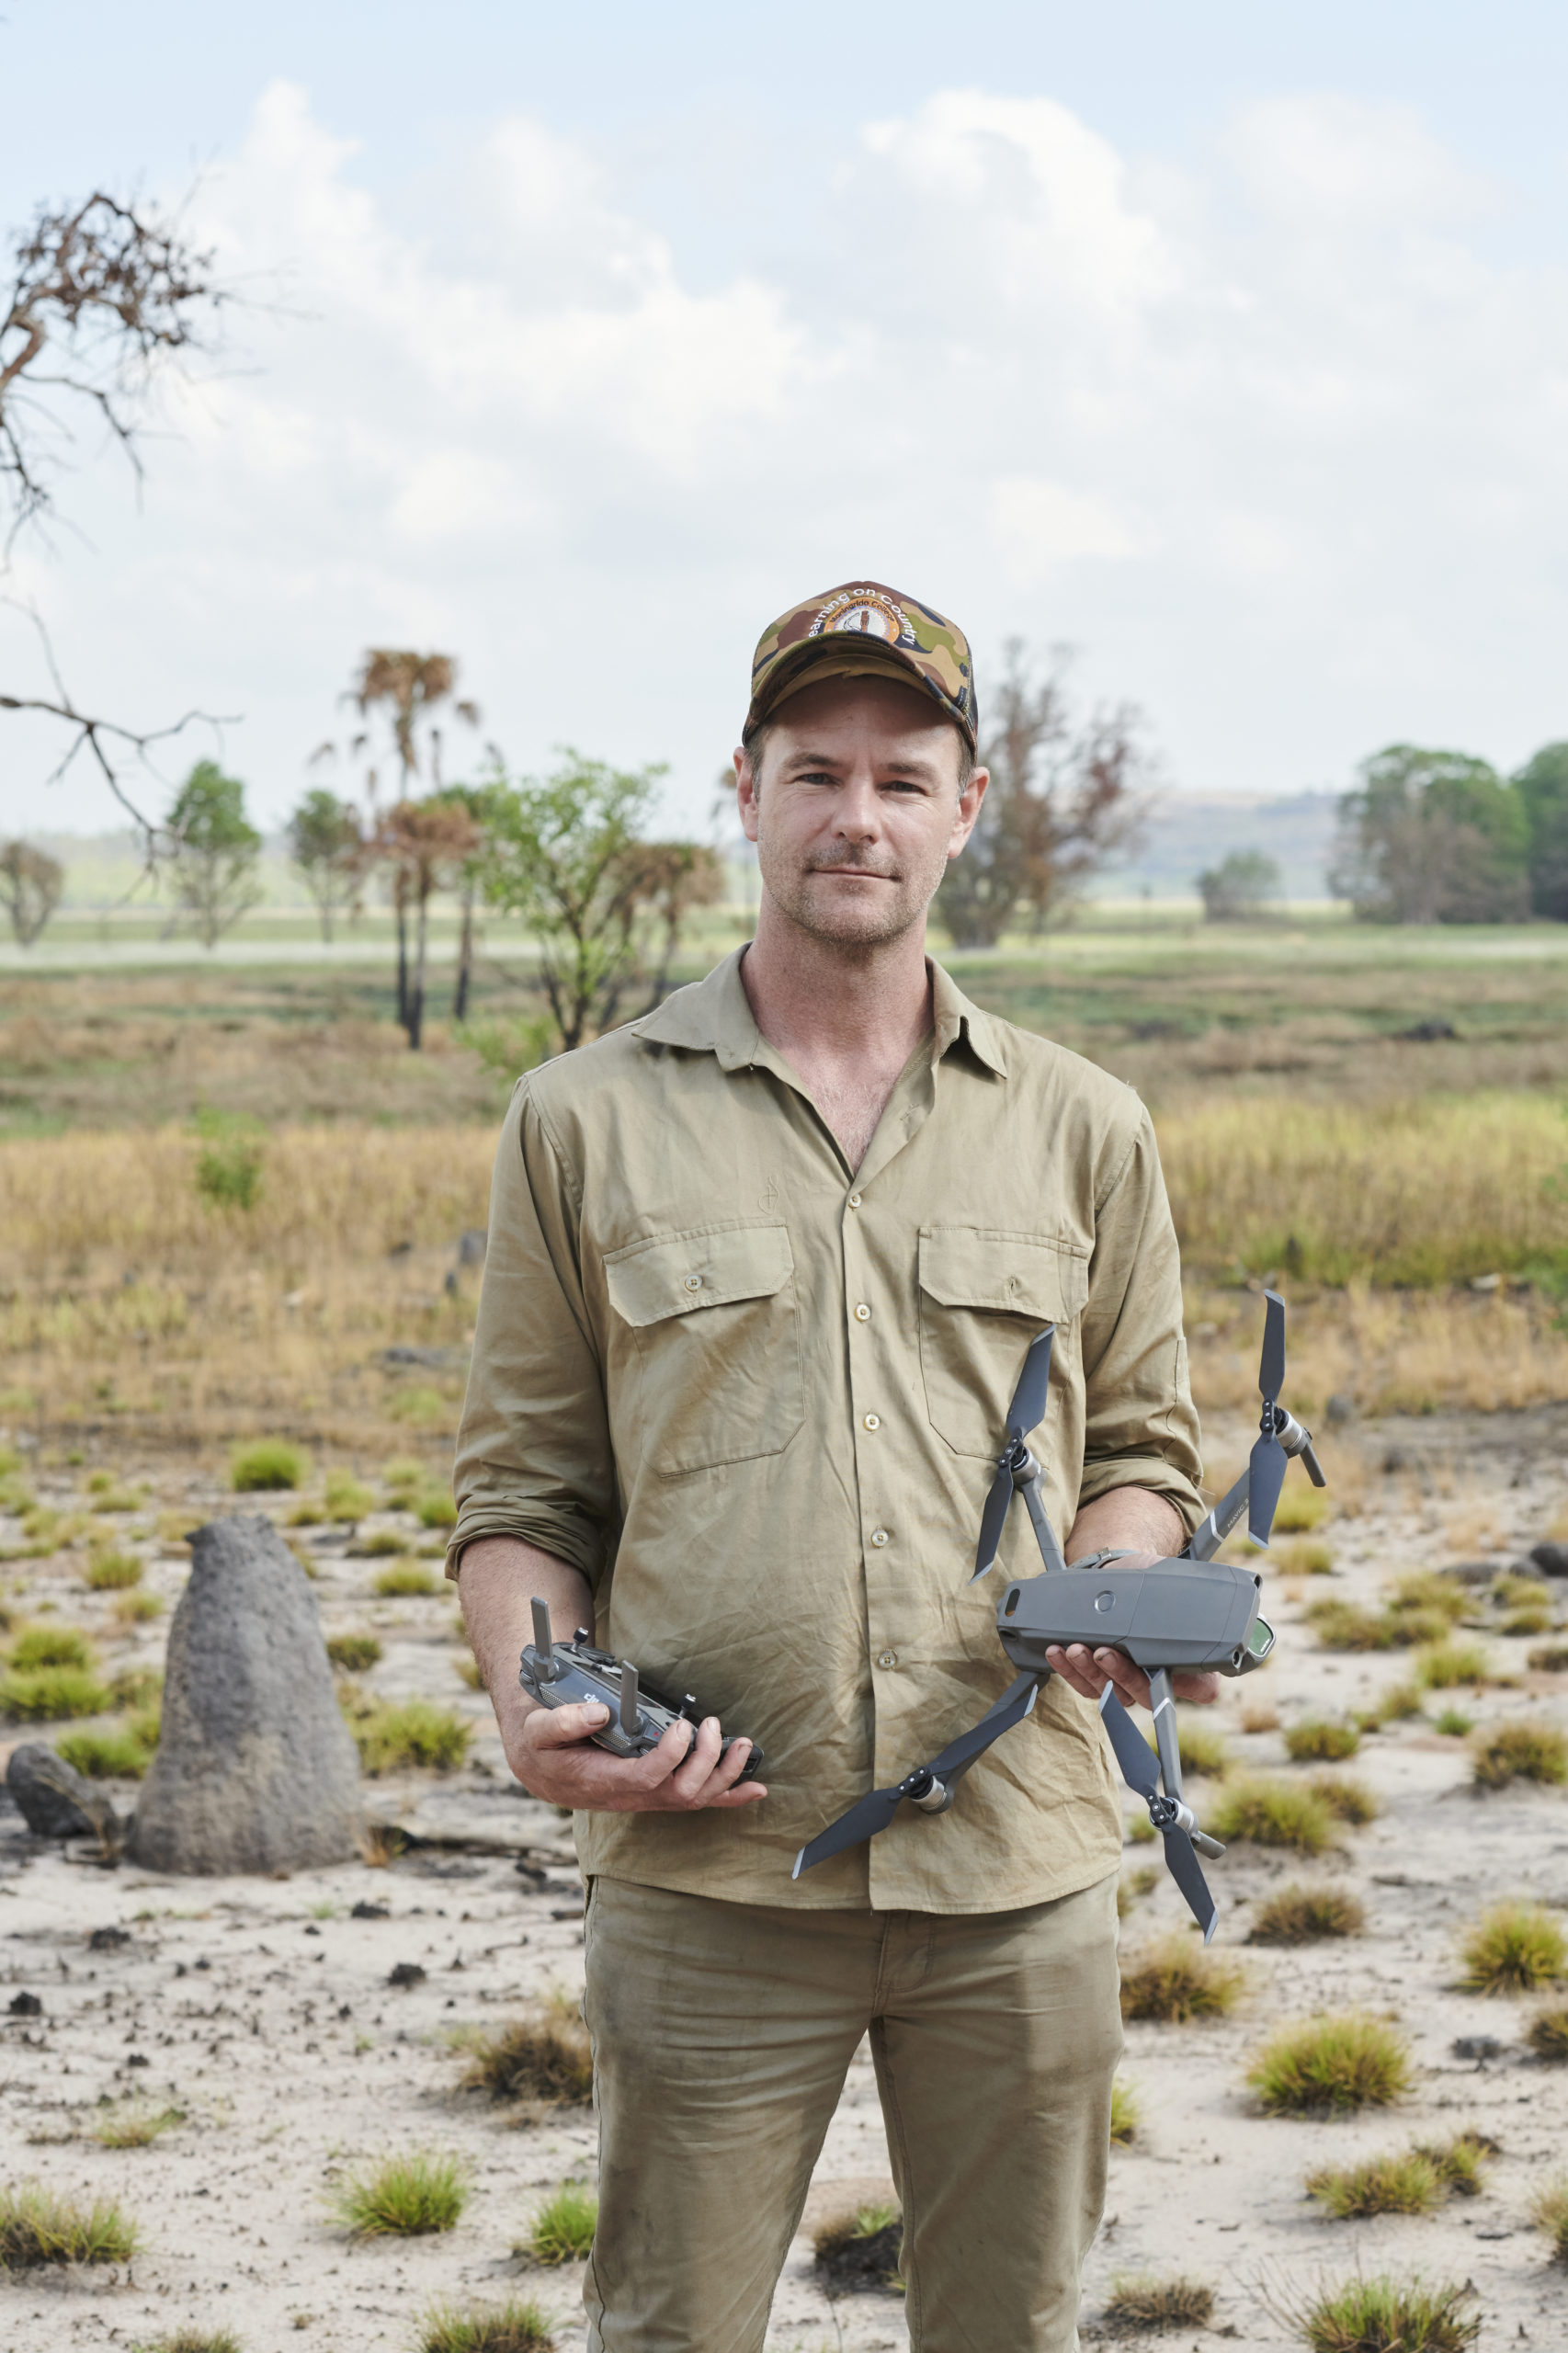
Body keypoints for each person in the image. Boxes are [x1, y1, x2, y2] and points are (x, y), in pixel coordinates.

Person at [451, 579, 1214, 2353]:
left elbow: (1151, 1453)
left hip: (1015, 1870)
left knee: (1009, 2332)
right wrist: (536, 1698)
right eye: (813, 771)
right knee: (668, 2332)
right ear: (745, 790)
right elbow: (524, 1498)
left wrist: (1109, 1580)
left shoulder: (1084, 1126)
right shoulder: (581, 1118)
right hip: (709, 1871)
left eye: (897, 774)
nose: (852, 814)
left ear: (965, 804)